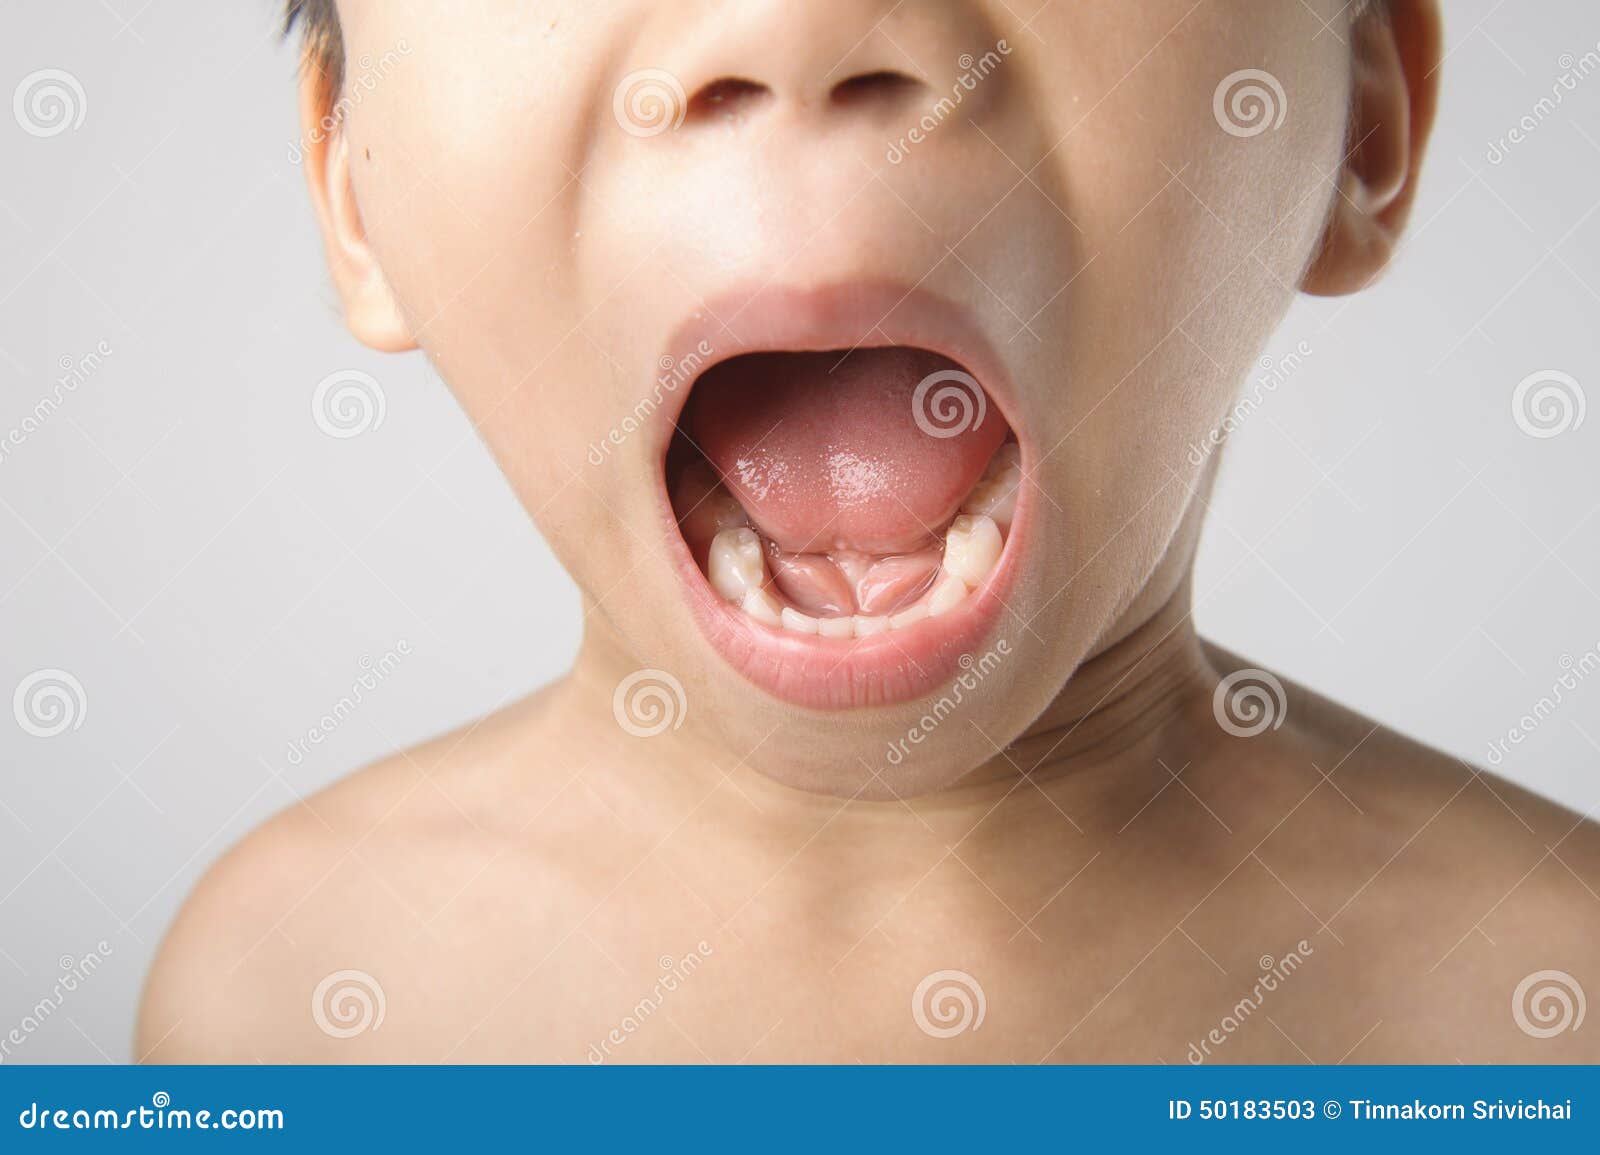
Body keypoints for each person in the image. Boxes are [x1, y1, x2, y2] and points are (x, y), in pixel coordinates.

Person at [138, 0, 1600, 1062]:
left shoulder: (1548, 1012)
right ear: (351, 186)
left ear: (1362, 112)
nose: (798, 28)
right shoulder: (291, 1000)